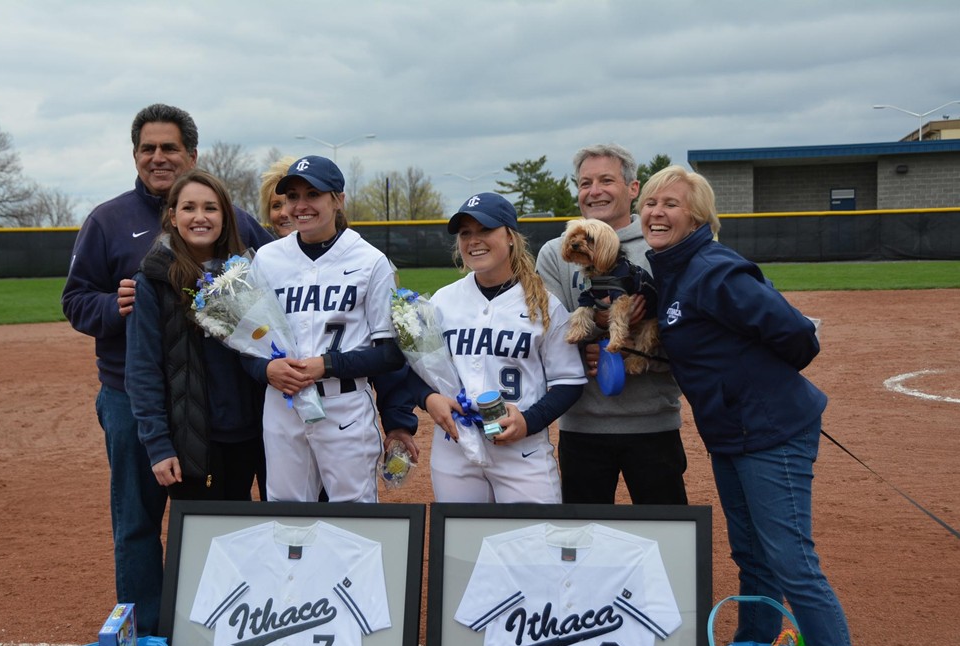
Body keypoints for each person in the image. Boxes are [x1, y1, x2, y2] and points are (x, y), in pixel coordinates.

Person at [640, 165, 865, 646]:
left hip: (770, 433)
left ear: (698, 215)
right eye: (649, 203)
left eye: (671, 203)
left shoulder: (713, 268)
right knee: (755, 560)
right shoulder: (672, 271)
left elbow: (797, 335)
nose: (656, 212)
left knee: (793, 564)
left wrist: (758, 388)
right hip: (733, 434)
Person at [61, 103, 272, 636]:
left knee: (215, 516)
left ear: (191, 154)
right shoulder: (106, 220)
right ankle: (150, 640)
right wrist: (118, 308)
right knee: (137, 523)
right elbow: (76, 301)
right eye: (148, 149)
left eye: (169, 148)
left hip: (217, 401)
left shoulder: (235, 220)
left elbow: (275, 285)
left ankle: (225, 630)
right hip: (133, 397)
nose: (158, 157)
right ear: (135, 155)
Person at [408, 192, 586, 503]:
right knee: (458, 547)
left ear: (511, 237)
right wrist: (427, 397)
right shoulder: (442, 301)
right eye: (466, 233)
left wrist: (529, 421)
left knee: (531, 545)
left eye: (485, 230)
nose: (473, 240)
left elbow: (568, 382)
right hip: (455, 447)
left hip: (521, 451)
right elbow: (414, 367)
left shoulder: (544, 304)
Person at [535, 144, 687, 506]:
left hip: (654, 421)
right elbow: (545, 334)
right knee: (581, 541)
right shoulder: (557, 251)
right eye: (585, 182)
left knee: (665, 536)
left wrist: (641, 342)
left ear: (633, 189)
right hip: (582, 423)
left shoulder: (663, 243)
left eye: (607, 180)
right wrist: (582, 346)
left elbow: (689, 329)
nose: (595, 190)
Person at [250, 155, 407, 503]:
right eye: (292, 196)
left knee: (355, 519)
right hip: (283, 405)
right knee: (285, 515)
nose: (300, 205)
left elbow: (391, 353)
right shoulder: (267, 259)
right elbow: (248, 345)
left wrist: (328, 364)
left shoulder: (369, 261)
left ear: (338, 200)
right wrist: (264, 368)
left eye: (313, 194)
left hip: (344, 405)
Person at [125, 170, 266, 501]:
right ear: (173, 216)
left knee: (249, 534)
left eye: (211, 208)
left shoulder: (249, 274)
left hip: (252, 434)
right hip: (193, 441)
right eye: (189, 208)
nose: (200, 217)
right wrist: (158, 445)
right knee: (202, 541)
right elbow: (143, 370)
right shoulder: (152, 281)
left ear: (225, 216)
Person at [259, 155, 297, 238]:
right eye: (276, 206)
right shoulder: (264, 250)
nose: (283, 213)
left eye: (291, 202)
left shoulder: (331, 249)